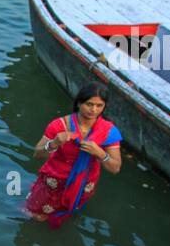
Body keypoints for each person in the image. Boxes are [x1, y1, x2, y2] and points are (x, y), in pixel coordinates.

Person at [22, 81, 122, 229]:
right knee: (34, 215)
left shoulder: (108, 131)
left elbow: (115, 168)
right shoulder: (59, 125)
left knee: (69, 213)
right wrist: (54, 143)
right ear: (79, 102)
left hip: (84, 184)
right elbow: (37, 154)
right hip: (53, 182)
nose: (93, 110)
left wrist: (100, 153)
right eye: (89, 104)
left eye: (99, 106)